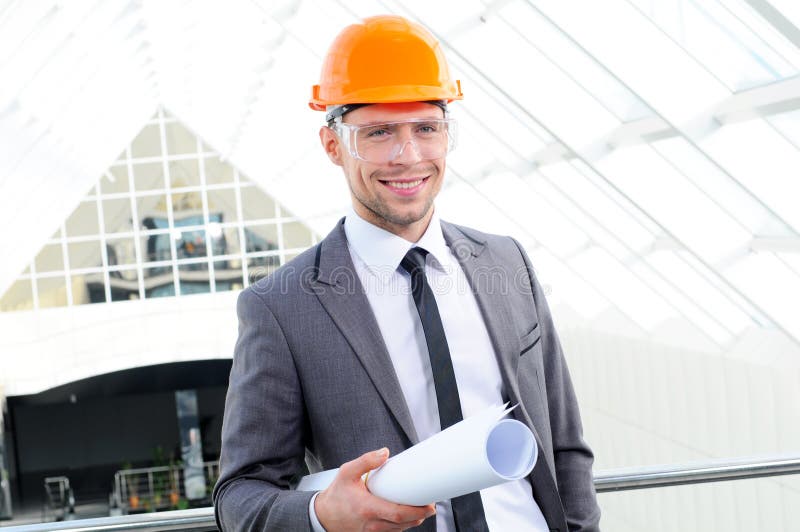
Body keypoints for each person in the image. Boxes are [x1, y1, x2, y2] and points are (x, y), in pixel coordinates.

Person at [213, 14, 600, 532]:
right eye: (378, 133)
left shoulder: (508, 264)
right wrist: (321, 514)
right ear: (333, 146)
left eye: (426, 128)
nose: (408, 156)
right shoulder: (283, 307)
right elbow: (240, 497)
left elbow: (565, 447)